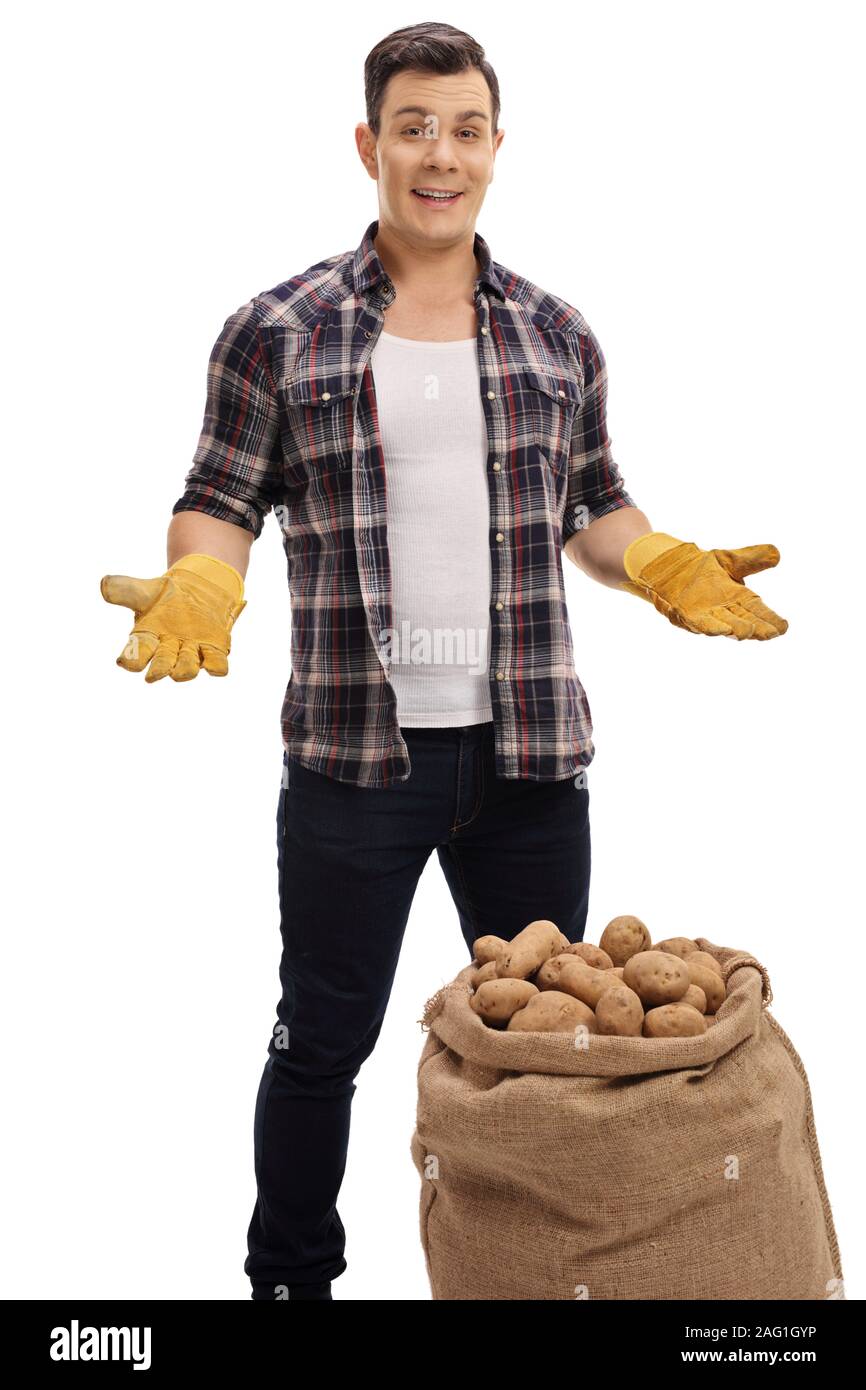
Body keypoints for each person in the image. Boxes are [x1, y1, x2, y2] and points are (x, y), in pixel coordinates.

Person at [100, 22, 787, 1301]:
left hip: (528, 756)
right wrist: (203, 575)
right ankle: (291, 1282)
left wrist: (663, 563)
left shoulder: (552, 332)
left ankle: (535, 1277)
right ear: (369, 145)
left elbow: (591, 503)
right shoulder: (277, 328)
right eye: (414, 126)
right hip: (355, 762)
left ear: (494, 149)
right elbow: (220, 496)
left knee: (548, 1053)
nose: (440, 154)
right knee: (321, 1045)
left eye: (465, 129)